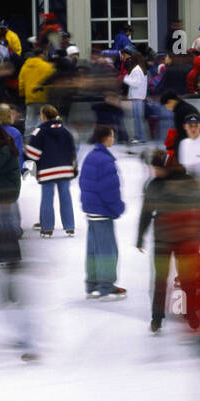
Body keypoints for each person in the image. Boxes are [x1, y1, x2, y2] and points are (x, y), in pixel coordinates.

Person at [135, 151, 200, 333]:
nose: (154, 172)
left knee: (187, 280)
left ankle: (189, 312)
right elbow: (146, 212)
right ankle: (157, 317)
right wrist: (140, 237)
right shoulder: (152, 186)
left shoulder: (188, 182)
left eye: (157, 169)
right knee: (160, 280)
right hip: (163, 240)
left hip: (186, 240)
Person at [78, 125, 127, 300]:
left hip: (91, 212)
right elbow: (110, 190)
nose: (113, 139)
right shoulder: (106, 160)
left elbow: (84, 183)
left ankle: (92, 286)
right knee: (108, 252)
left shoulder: (90, 157)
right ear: (106, 138)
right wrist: (118, 208)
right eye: (112, 136)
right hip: (102, 212)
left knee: (93, 251)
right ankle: (106, 287)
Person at [24, 104, 77, 238]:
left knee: (47, 198)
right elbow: (72, 151)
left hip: (47, 170)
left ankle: (47, 228)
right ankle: (69, 227)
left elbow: (33, 153)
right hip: (65, 169)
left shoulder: (40, 131)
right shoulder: (66, 130)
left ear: (43, 116)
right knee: (66, 197)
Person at [0, 125, 24, 264]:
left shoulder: (3, 150)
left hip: (4, 191)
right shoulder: (6, 147)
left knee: (5, 223)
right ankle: (8, 254)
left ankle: (9, 255)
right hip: (6, 190)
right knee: (4, 222)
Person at [18, 47, 55, 130]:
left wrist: (23, 94)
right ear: (41, 55)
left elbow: (21, 83)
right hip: (44, 97)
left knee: (30, 120)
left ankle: (29, 139)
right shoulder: (47, 66)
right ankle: (41, 137)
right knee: (43, 118)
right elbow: (52, 80)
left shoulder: (25, 67)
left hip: (30, 97)